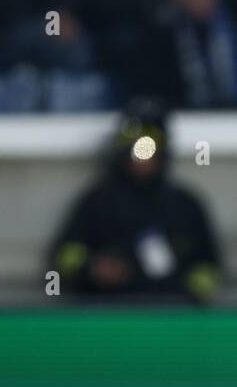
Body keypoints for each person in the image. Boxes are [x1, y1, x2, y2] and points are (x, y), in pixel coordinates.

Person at [50, 99, 221, 301]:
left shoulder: (185, 206)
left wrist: (173, 289)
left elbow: (209, 270)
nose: (141, 157)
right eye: (134, 146)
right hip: (106, 313)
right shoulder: (97, 201)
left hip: (169, 318)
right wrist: (92, 268)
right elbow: (65, 256)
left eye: (148, 146)